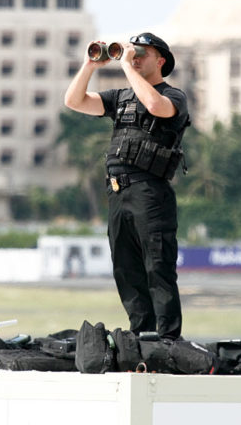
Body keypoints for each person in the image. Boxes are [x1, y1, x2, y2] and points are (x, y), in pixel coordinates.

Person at [64, 32, 190, 340]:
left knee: (157, 268)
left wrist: (126, 66)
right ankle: (141, 337)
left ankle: (168, 341)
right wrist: (89, 65)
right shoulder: (121, 97)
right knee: (126, 270)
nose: (135, 57)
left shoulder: (173, 96)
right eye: (134, 52)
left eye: (142, 53)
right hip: (118, 193)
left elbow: (154, 105)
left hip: (150, 192)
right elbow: (74, 101)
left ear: (160, 60)